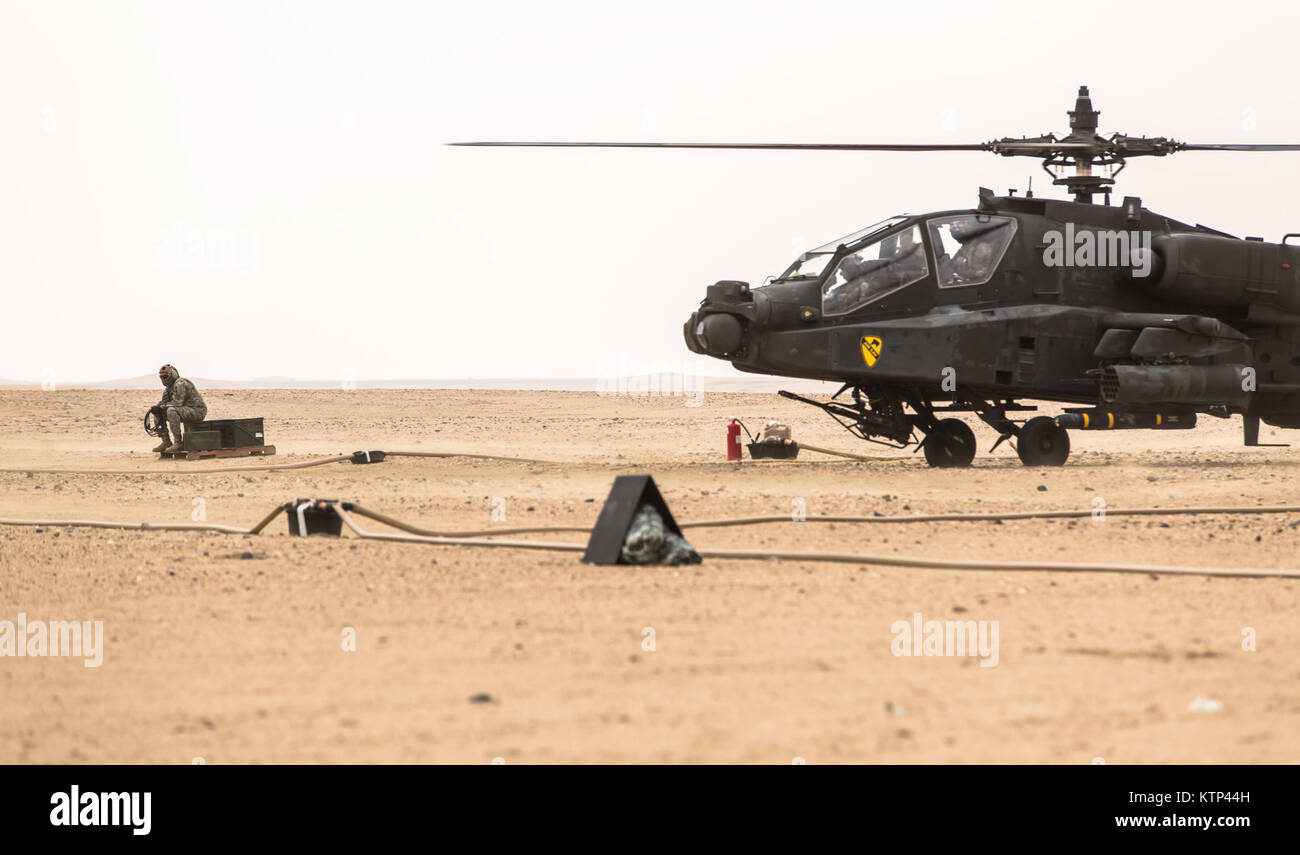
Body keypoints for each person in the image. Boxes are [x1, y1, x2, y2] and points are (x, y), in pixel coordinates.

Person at [151, 364, 207, 453]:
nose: (163, 379)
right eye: (162, 377)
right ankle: (166, 442)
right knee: (158, 413)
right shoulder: (168, 388)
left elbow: (177, 403)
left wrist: (161, 407)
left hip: (197, 411)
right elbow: (164, 402)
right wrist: (157, 408)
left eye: (165, 376)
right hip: (185, 410)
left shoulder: (180, 383)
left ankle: (178, 443)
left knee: (171, 411)